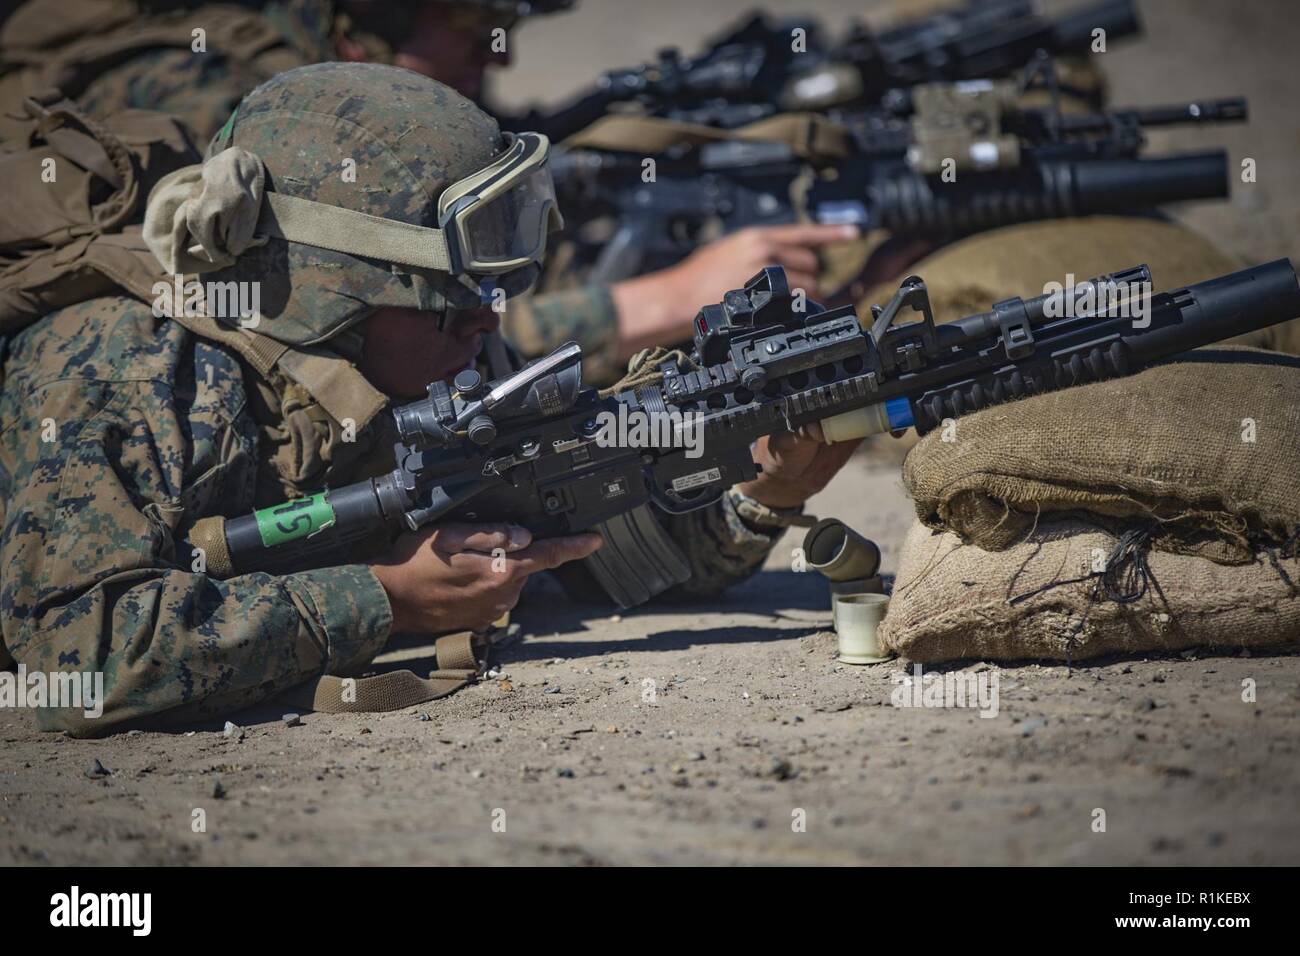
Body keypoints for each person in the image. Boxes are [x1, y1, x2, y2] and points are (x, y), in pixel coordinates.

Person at [0, 63, 858, 736]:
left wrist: (762, 490)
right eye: (446, 293)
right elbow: (78, 657)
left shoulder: (453, 351)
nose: (490, 313)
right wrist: (387, 599)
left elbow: (603, 556)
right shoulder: (120, 365)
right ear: (333, 289)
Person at [0, 0, 859, 384]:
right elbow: (356, 317)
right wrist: (656, 303)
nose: (499, 54)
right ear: (374, 18)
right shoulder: (229, 104)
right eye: (475, 23)